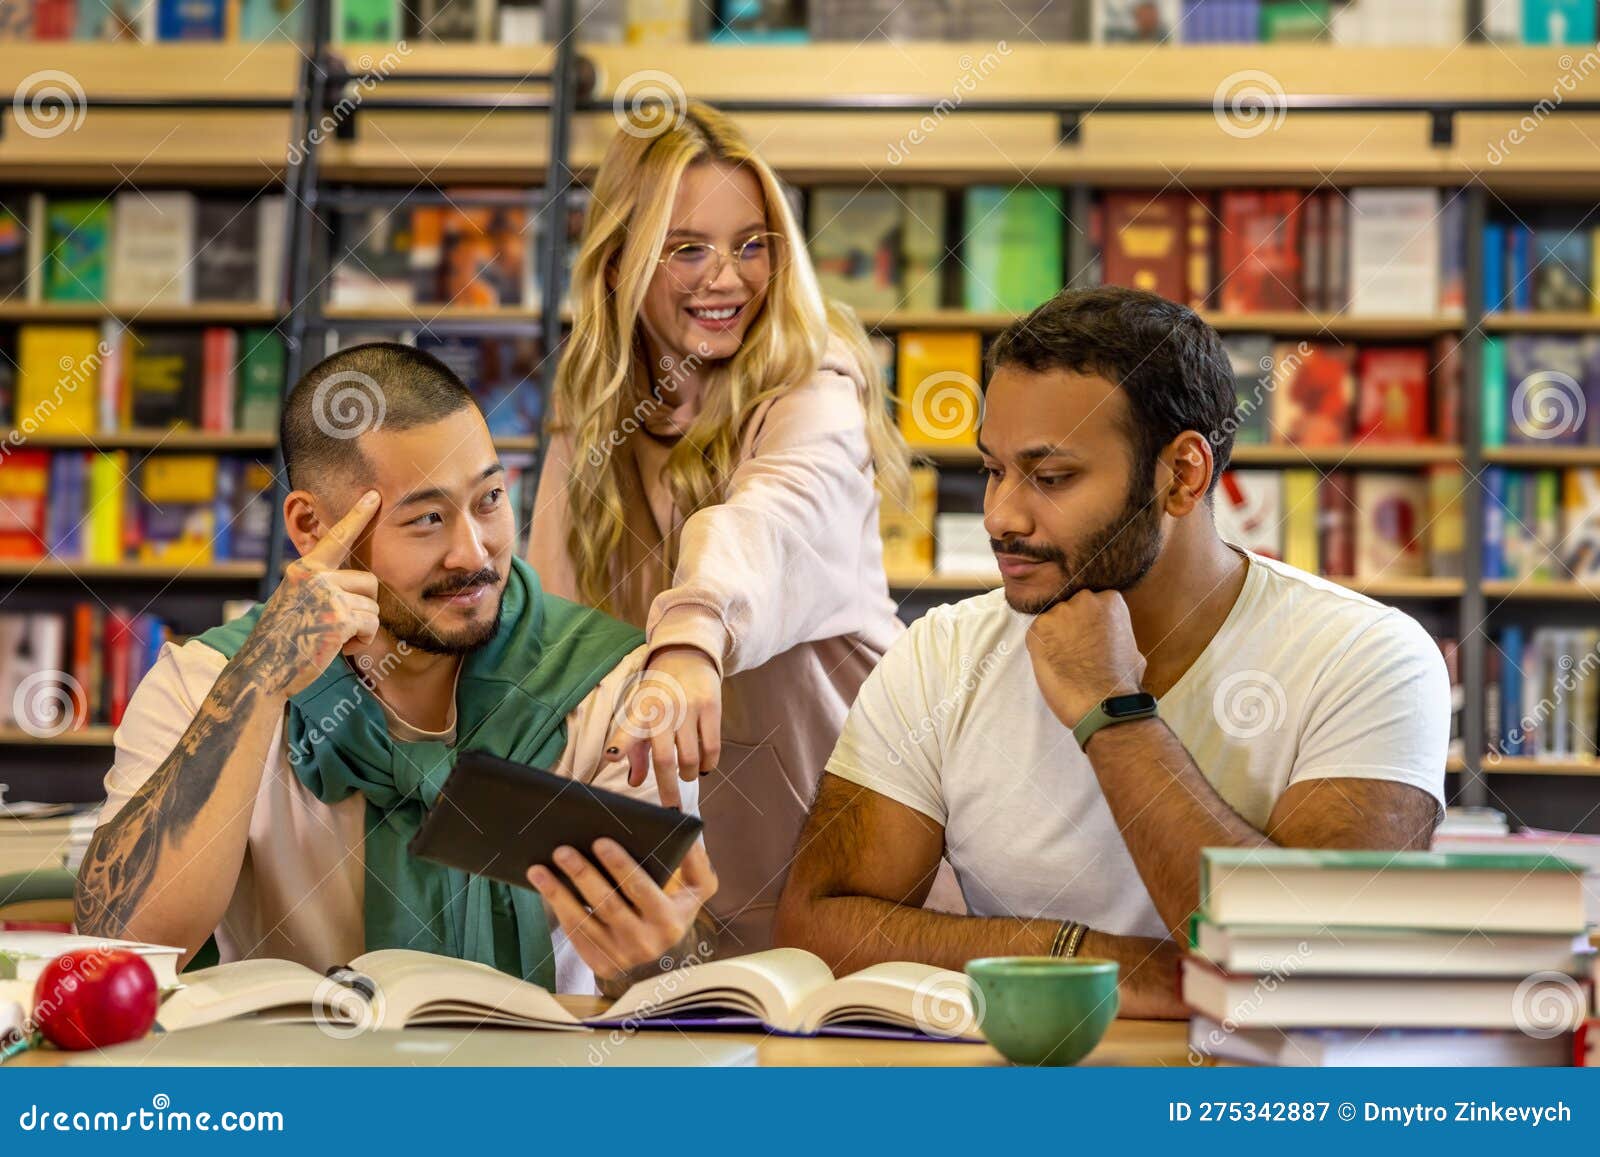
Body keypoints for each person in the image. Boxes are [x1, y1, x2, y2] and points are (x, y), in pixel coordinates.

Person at [774, 287, 1450, 1017]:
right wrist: (1088, 960)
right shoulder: (942, 653)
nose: (1000, 516)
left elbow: (1319, 959)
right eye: (994, 470)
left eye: (1051, 478)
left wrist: (1114, 711)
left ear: (1182, 476)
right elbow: (818, 927)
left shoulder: (1369, 658)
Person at [74, 343, 717, 997]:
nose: (474, 553)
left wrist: (654, 961)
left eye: (490, 498)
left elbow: (660, 988)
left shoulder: (615, 690)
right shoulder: (206, 682)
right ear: (310, 525)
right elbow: (120, 942)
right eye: (427, 518)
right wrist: (261, 682)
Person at [528, 101, 956, 953]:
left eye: (751, 245)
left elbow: (770, 516)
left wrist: (691, 637)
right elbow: (552, 641)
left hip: (860, 884)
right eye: (687, 248)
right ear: (617, 264)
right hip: (690, 906)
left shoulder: (814, 385)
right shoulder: (594, 421)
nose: (726, 279)